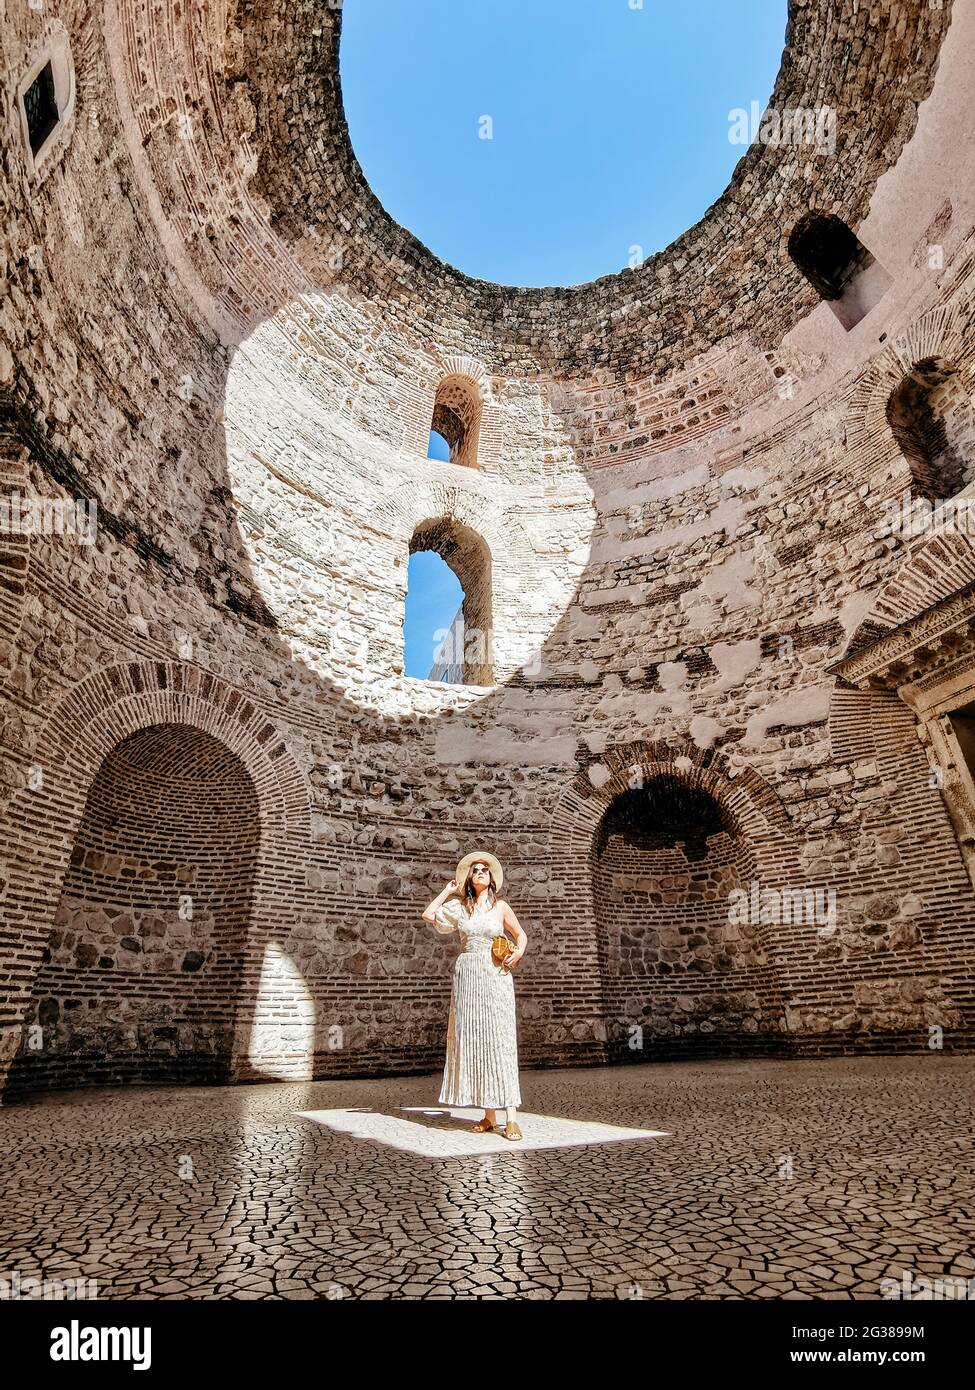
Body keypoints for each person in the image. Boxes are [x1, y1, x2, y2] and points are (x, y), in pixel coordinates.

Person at [422, 852, 527, 1141]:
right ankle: (488, 1116)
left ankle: (511, 1117)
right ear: (469, 878)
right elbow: (428, 915)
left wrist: (518, 953)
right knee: (478, 1041)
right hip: (467, 977)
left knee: (500, 1042)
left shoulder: (501, 907)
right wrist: (447, 890)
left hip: (495, 977)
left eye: (485, 870)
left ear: (492, 879)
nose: (480, 872)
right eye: (475, 870)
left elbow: (521, 936)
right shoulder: (459, 908)